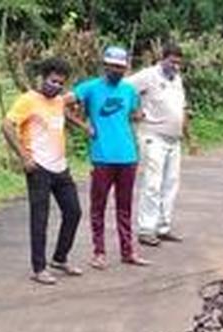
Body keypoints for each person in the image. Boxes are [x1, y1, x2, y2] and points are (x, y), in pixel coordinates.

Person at [3, 57, 90, 285]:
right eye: (53, 81)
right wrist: (24, 156)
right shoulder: (27, 101)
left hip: (61, 166)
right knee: (40, 218)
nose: (57, 86)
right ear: (42, 78)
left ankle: (60, 258)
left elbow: (63, 114)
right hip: (38, 167)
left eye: (61, 83)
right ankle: (39, 268)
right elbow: (6, 125)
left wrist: (83, 126)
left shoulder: (59, 101)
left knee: (74, 212)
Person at [72, 46, 151, 269]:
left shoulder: (129, 91)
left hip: (128, 156)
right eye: (113, 66)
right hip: (102, 156)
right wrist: (83, 124)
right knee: (98, 206)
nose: (117, 70)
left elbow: (134, 115)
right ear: (105, 66)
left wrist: (140, 114)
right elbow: (63, 103)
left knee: (124, 207)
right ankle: (99, 252)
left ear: (126, 68)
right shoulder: (90, 87)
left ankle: (128, 251)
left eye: (121, 67)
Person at [128, 42, 197, 247]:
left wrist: (189, 137)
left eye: (179, 63)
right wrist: (134, 111)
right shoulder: (148, 75)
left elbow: (182, 109)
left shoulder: (177, 80)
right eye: (172, 62)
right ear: (162, 58)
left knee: (171, 183)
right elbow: (125, 90)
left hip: (173, 139)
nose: (175, 66)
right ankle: (146, 229)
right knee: (153, 183)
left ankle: (163, 226)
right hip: (152, 135)